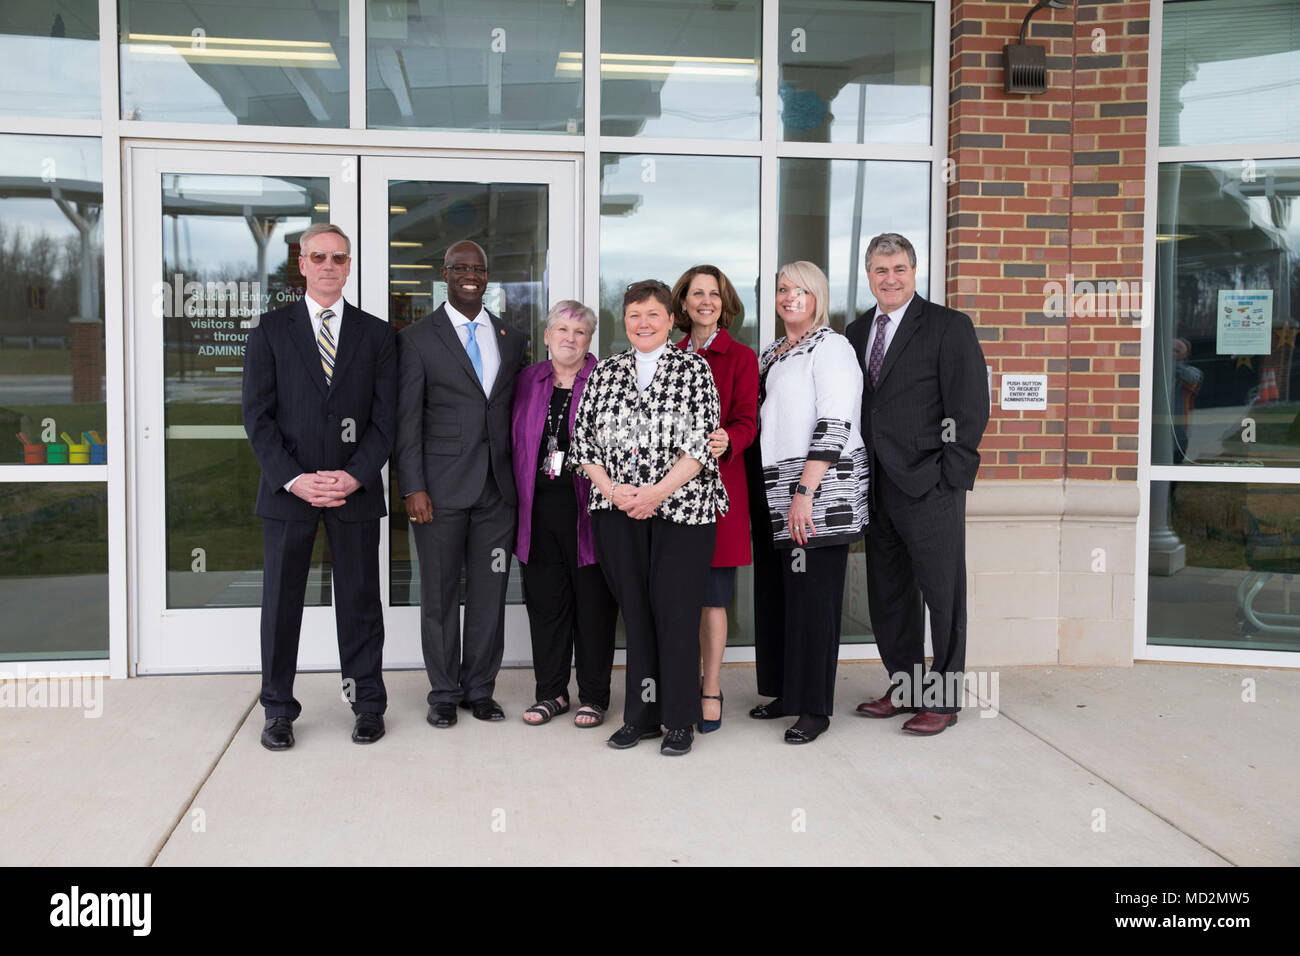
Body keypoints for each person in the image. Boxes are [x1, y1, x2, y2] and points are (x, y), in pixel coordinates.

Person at [241, 223, 395, 750]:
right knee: (282, 605)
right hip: (291, 494)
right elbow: (257, 418)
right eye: (319, 256)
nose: (329, 265)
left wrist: (354, 475)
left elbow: (386, 419)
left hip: (353, 492)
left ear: (349, 265)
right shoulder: (269, 331)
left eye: (339, 257)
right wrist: (295, 479)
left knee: (359, 603)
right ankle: (278, 709)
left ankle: (368, 703)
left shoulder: (376, 335)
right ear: (301, 264)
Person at [571, 279, 727, 756]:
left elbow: (700, 444)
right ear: (624, 320)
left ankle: (679, 719)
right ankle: (639, 716)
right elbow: (584, 443)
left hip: (683, 512)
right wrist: (616, 491)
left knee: (676, 615)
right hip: (618, 511)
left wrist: (654, 494)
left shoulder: (694, 369)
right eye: (635, 314)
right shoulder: (607, 372)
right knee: (636, 617)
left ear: (670, 319)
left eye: (653, 314)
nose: (643, 323)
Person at [845, 233, 989, 736]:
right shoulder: (857, 330)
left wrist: (951, 478)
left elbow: (970, 409)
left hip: (930, 486)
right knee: (890, 595)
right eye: (881, 271)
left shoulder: (949, 327)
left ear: (914, 272)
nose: (890, 279)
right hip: (877, 487)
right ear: (869, 276)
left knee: (943, 596)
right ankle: (904, 687)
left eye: (899, 269)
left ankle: (945, 699)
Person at [394, 240, 526, 729]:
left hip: (497, 491)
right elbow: (406, 420)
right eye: (460, 268)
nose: (470, 275)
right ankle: (443, 692)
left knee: (490, 595)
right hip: (439, 492)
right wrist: (413, 486)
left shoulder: (511, 337)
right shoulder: (417, 338)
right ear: (444, 274)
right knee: (441, 595)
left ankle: (480, 690)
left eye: (479, 269)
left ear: (487, 277)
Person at [746, 261, 868, 744]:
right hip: (772, 490)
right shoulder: (774, 352)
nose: (790, 297)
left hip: (817, 492)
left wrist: (805, 492)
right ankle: (786, 693)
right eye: (782, 289)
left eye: (800, 290)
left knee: (814, 601)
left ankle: (815, 709)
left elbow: (836, 421)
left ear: (818, 296)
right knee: (780, 597)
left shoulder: (832, 347)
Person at [511, 300, 618, 728]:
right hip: (537, 510)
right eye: (562, 330)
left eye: (579, 333)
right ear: (547, 336)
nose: (569, 339)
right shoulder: (526, 380)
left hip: (591, 511)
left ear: (589, 340)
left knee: (593, 608)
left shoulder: (607, 380)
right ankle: (551, 693)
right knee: (546, 606)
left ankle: (594, 696)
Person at [670, 265, 758, 733]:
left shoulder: (741, 357)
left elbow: (748, 419)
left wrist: (730, 437)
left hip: (721, 493)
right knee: (676, 597)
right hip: (671, 494)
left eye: (715, 294)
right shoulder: (668, 355)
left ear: (725, 303)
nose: (706, 301)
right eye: (697, 293)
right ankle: (680, 683)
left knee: (711, 600)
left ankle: (711, 687)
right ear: (682, 303)